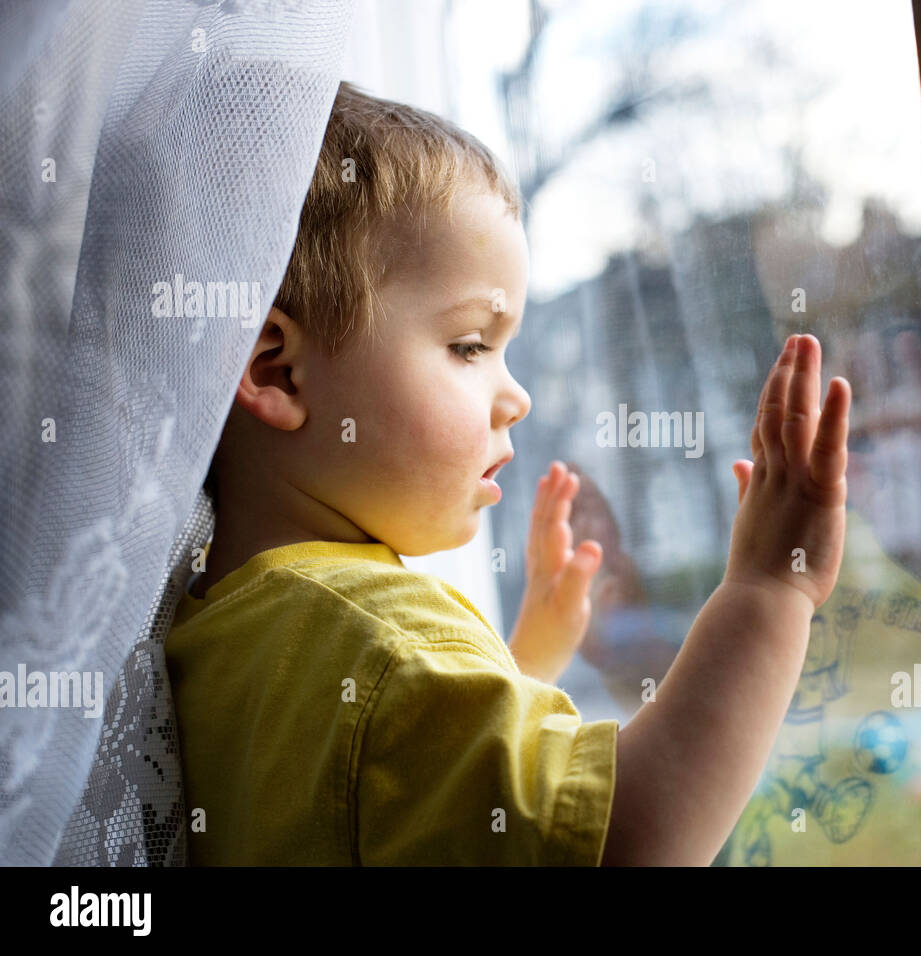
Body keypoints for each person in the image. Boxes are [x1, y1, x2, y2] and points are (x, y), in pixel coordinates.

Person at [165, 81, 852, 866]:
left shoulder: (223, 629)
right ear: (280, 373)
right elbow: (633, 839)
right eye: (468, 345)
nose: (516, 396)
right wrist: (769, 591)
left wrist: (521, 663)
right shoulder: (381, 637)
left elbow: (389, 801)